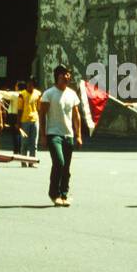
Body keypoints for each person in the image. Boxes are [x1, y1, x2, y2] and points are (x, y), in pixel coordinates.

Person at [38, 64, 82, 206]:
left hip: (68, 134)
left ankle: (64, 194)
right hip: (53, 134)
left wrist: (79, 135)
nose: (68, 77)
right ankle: (54, 193)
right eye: (65, 74)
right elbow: (42, 115)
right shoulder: (49, 94)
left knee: (66, 168)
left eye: (69, 74)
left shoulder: (72, 94)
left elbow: (76, 116)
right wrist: (43, 135)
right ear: (58, 76)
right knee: (59, 162)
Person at [18, 76, 42, 164]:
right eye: (28, 83)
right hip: (24, 121)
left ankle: (32, 161)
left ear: (34, 84)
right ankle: (23, 161)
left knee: (34, 143)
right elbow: (19, 109)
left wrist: (40, 121)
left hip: (35, 120)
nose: (30, 84)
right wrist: (18, 122)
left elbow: (39, 109)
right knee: (24, 143)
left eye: (31, 83)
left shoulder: (38, 94)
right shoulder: (22, 94)